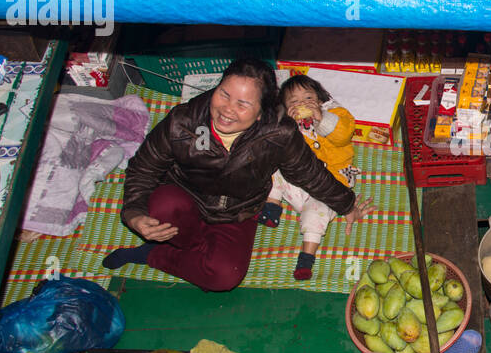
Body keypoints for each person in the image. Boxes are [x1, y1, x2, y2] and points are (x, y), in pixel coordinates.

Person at [102, 59, 372, 291]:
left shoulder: (278, 133)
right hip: (186, 195)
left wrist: (346, 204)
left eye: (243, 103)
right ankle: (192, 246)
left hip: (238, 209)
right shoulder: (184, 122)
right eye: (224, 94)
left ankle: (155, 254)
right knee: (162, 206)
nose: (228, 109)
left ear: (261, 113)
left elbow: (309, 174)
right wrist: (134, 214)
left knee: (225, 276)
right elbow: (143, 168)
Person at [263, 73, 361, 280]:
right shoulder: (289, 122)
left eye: (308, 98)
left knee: (316, 216)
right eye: (294, 101)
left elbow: (344, 135)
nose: (303, 104)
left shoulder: (335, 113)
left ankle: (306, 258)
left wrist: (322, 118)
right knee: (272, 168)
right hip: (296, 182)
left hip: (329, 186)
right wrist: (288, 123)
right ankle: (271, 206)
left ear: (320, 98)